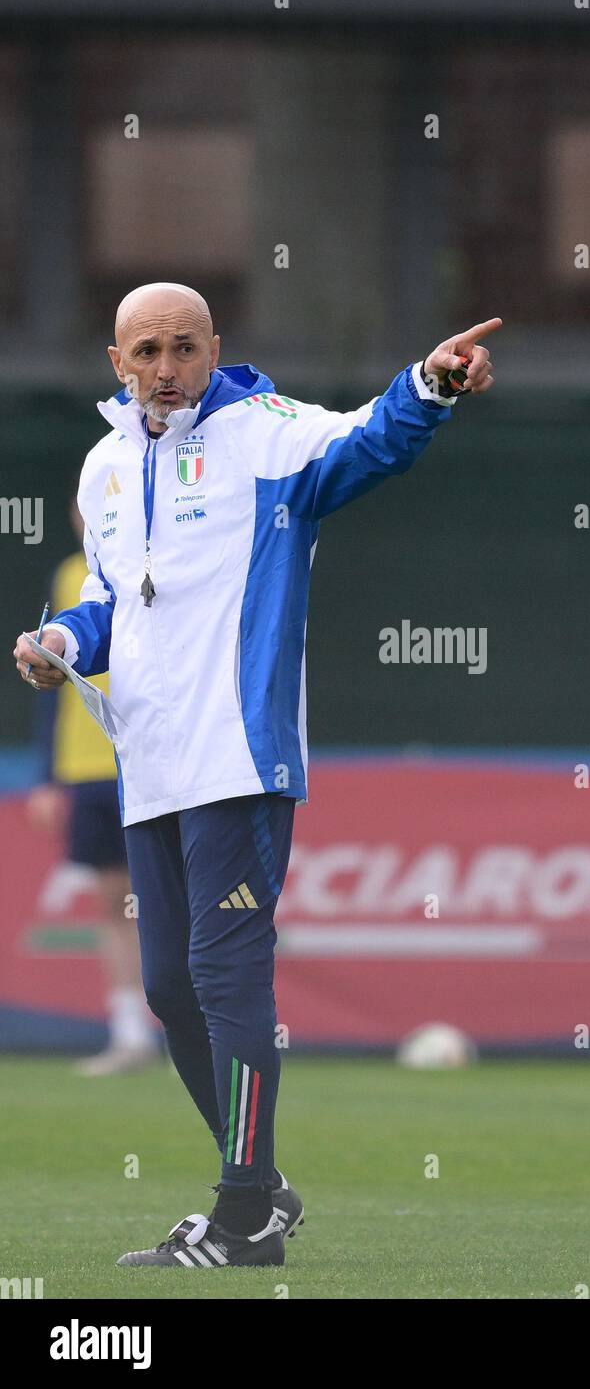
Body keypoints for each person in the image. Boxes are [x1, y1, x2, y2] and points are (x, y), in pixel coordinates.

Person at [12, 282, 499, 1269]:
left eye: (183, 347)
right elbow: (116, 599)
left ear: (212, 349)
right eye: (144, 349)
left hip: (236, 755)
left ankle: (240, 1217)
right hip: (147, 763)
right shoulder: (104, 466)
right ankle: (260, 1189)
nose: (164, 366)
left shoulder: (261, 433)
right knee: (165, 986)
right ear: (116, 362)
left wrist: (428, 386)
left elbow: (366, 441)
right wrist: (62, 636)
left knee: (224, 971)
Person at [28, 490, 158, 1076]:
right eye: (78, 506)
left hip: (148, 759)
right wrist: (47, 777)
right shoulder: (68, 575)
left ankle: (196, 1025)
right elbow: (46, 680)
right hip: (85, 770)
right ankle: (131, 1034)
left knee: (171, 899)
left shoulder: (152, 566)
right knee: (111, 903)